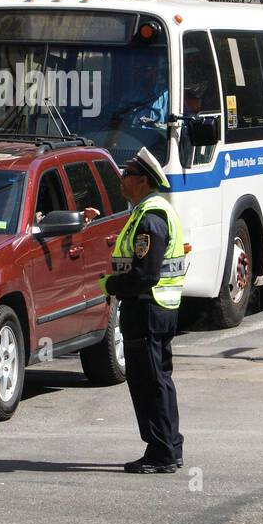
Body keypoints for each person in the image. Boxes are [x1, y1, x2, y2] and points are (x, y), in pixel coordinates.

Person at [101, 146, 186, 474]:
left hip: (147, 308)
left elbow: (145, 274)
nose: (122, 179)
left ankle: (161, 451)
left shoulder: (150, 219)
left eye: (127, 175)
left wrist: (110, 285)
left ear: (143, 181)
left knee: (149, 381)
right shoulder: (149, 212)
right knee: (160, 379)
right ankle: (170, 445)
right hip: (159, 308)